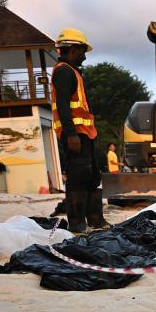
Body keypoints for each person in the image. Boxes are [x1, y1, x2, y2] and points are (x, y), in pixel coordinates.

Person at [50, 27, 110, 233]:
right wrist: (71, 134)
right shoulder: (64, 72)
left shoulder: (73, 72)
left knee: (92, 177)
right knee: (77, 179)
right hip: (76, 135)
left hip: (85, 134)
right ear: (73, 49)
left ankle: (96, 220)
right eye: (82, 51)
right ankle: (77, 225)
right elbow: (63, 105)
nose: (84, 56)